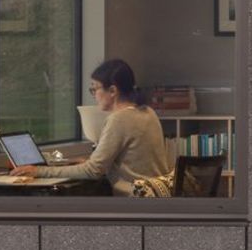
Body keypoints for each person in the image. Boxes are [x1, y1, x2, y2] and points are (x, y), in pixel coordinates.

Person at [76, 58, 179, 197]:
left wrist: (40, 171)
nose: (94, 95)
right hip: (158, 197)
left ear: (112, 90)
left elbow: (93, 170)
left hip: (134, 201)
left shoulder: (118, 119)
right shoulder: (148, 112)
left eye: (95, 88)